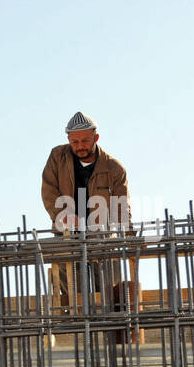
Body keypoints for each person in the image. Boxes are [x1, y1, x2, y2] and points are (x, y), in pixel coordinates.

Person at [40, 113, 137, 314]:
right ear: (68, 140)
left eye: (85, 140)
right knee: (73, 296)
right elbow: (49, 191)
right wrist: (63, 215)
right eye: (74, 142)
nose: (80, 146)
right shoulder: (57, 158)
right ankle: (76, 326)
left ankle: (110, 326)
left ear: (96, 138)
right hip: (67, 237)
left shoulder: (114, 168)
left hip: (101, 238)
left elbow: (121, 207)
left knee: (110, 294)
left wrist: (128, 236)